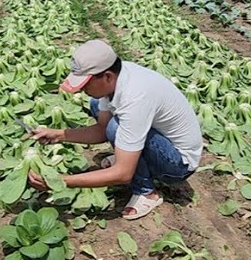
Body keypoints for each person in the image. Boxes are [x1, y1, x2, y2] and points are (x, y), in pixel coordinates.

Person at [25, 39, 203, 220]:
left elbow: (123, 174)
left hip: (178, 164)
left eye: (85, 84)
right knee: (97, 105)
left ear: (107, 76)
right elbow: (101, 130)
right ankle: (130, 154)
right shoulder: (118, 76)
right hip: (159, 139)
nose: (82, 89)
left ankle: (147, 192)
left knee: (115, 127)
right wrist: (59, 135)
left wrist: (59, 181)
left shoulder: (135, 96)